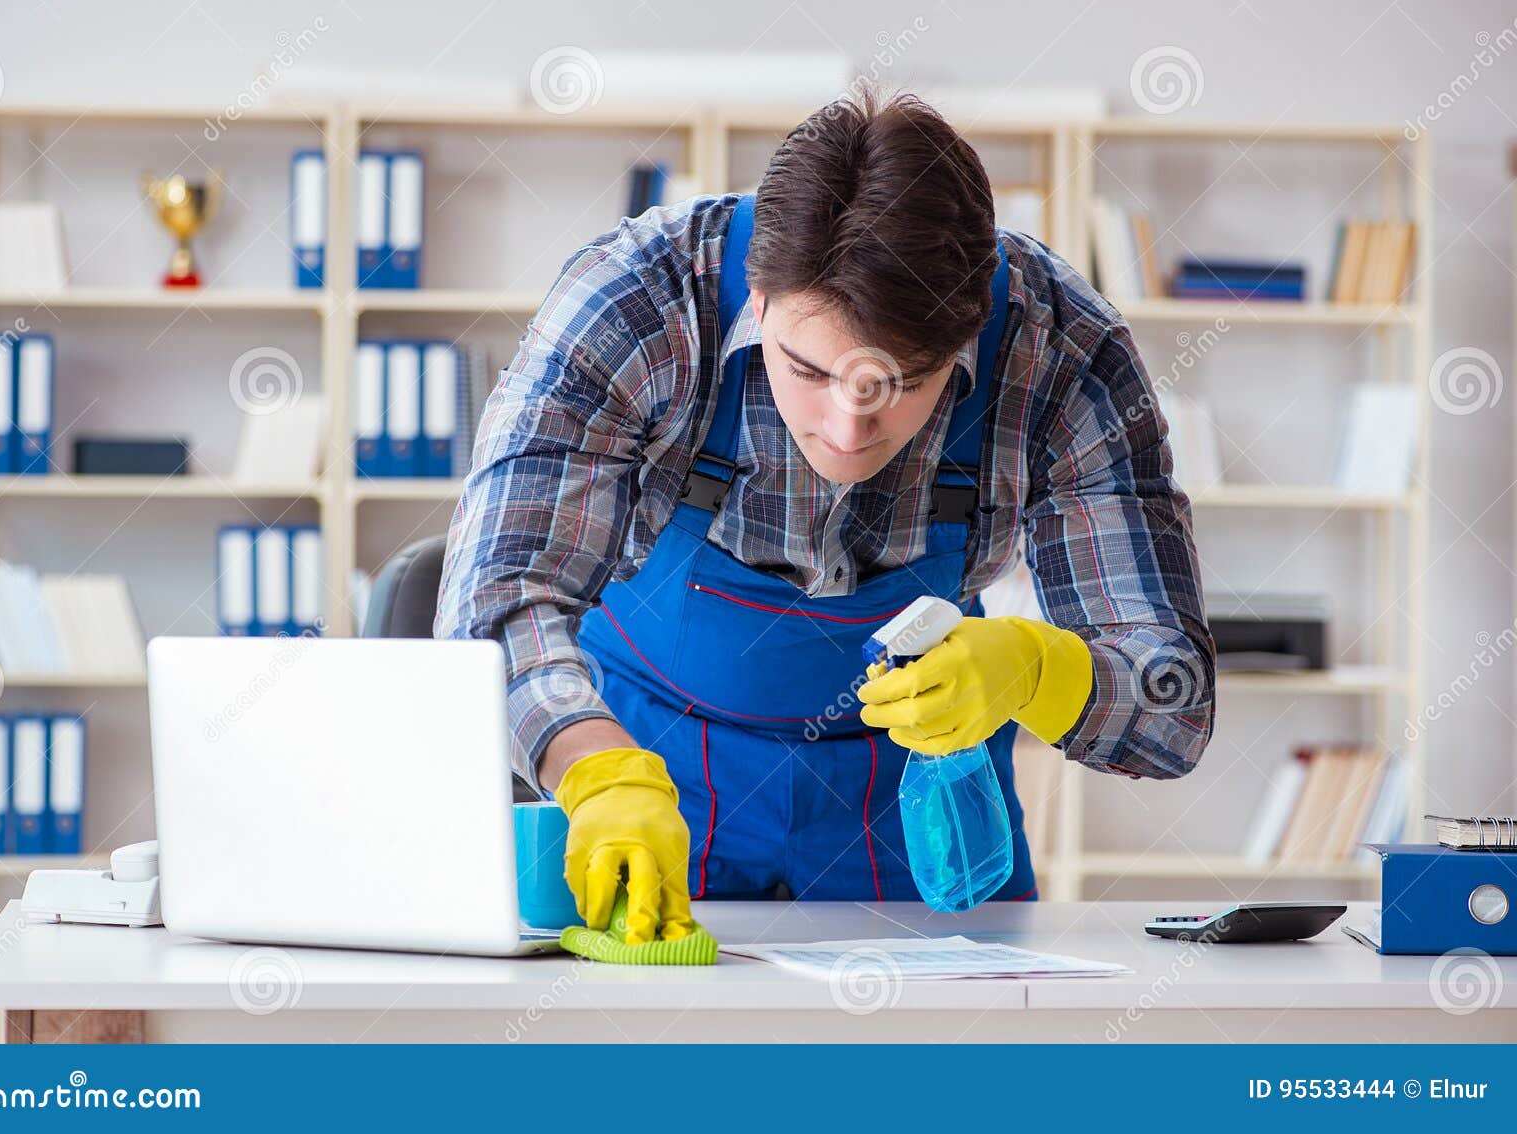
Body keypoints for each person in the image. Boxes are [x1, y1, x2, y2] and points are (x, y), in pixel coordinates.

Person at [436, 89, 1214, 944]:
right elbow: (496, 603)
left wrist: (1039, 673)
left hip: (916, 793)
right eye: (808, 371)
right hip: (651, 770)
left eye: (904, 384)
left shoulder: (1060, 349)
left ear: (971, 330)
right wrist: (597, 772)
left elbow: (1173, 709)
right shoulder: (638, 303)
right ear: (758, 301)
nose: (848, 431)